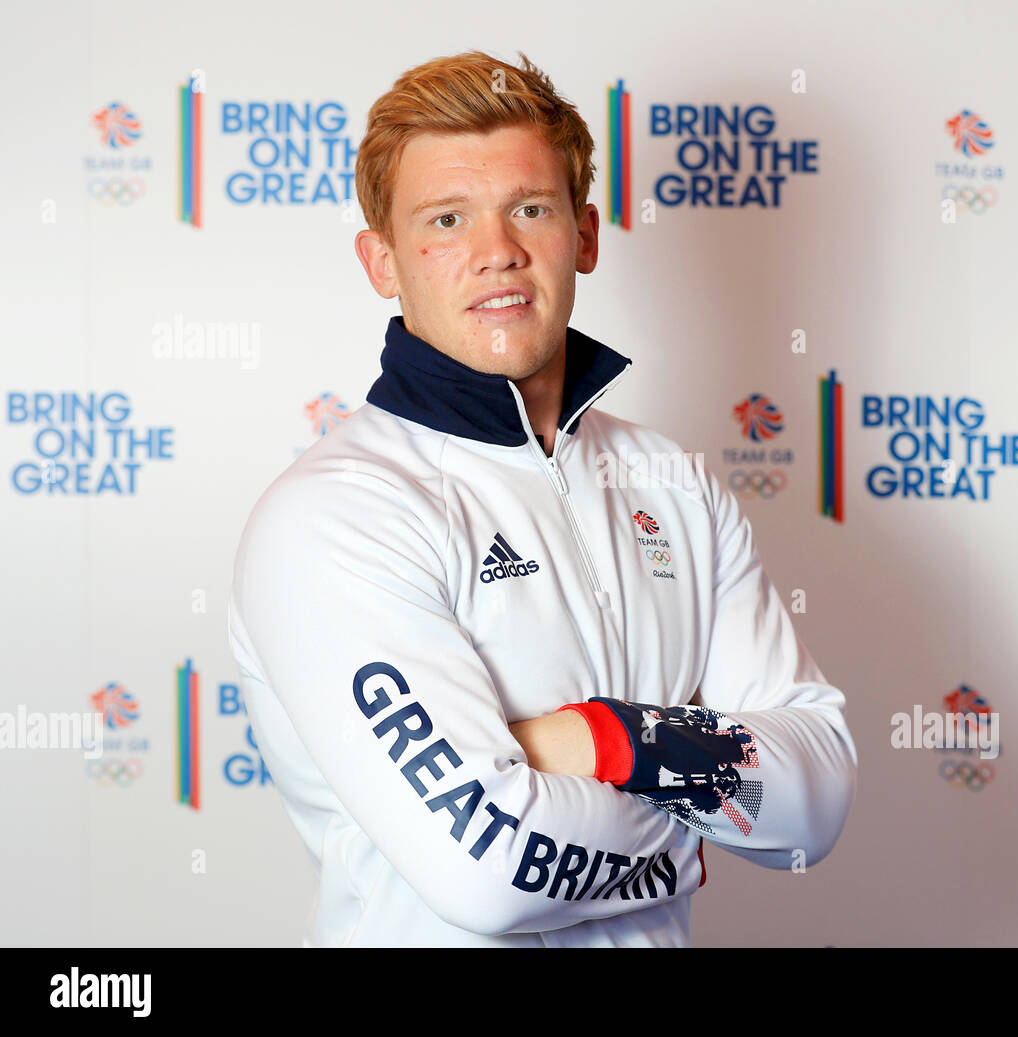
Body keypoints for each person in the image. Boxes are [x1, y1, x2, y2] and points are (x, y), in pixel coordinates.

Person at [227, 49, 857, 947]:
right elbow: (489, 871)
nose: (498, 253)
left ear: (584, 235)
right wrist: (696, 825)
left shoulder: (674, 482)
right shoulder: (336, 514)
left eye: (530, 208)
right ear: (383, 262)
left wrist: (611, 741)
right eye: (447, 220)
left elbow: (818, 795)